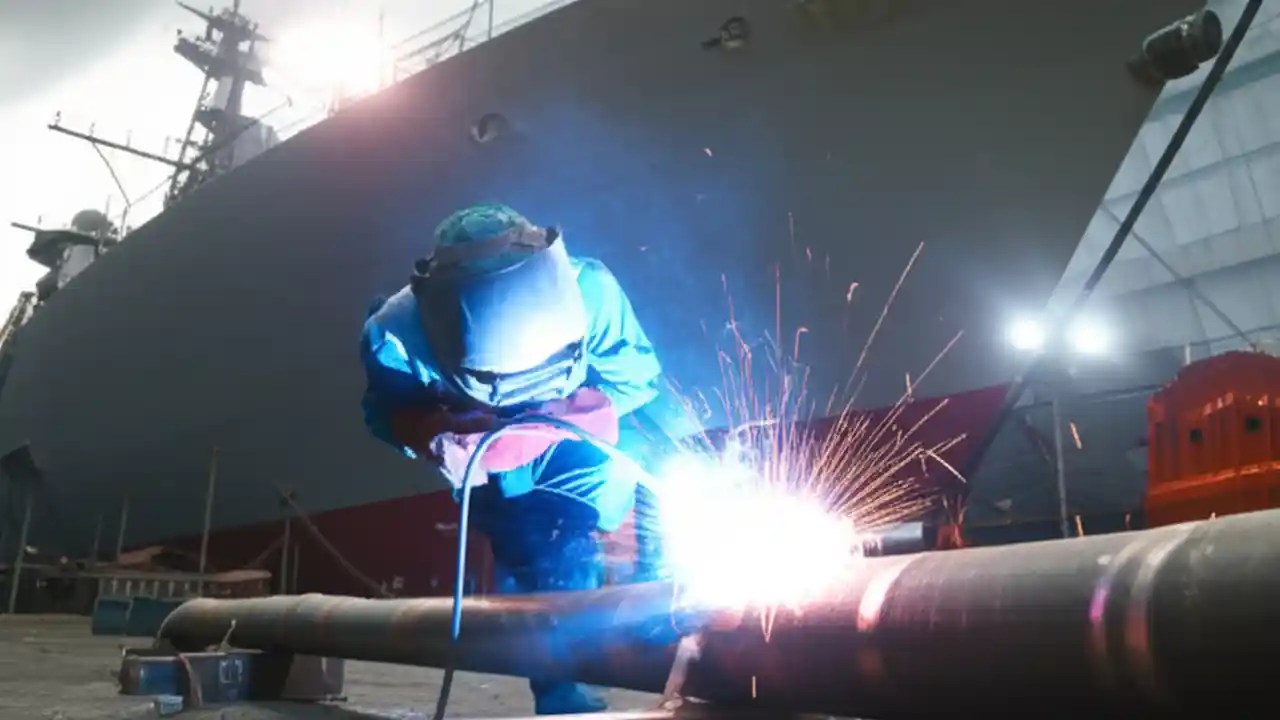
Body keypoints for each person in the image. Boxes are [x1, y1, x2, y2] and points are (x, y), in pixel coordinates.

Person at [359, 203, 692, 715]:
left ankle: (660, 607)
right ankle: (561, 692)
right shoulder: (397, 336)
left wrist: (582, 410)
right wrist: (431, 435)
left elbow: (636, 377)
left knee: (668, 448)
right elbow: (386, 413)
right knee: (540, 551)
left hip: (580, 433)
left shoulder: (591, 293)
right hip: (491, 453)